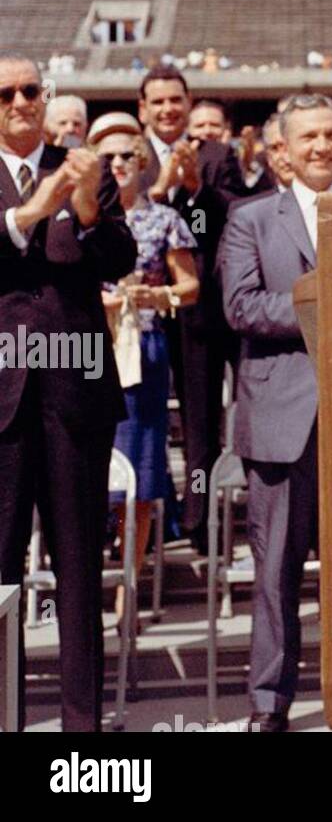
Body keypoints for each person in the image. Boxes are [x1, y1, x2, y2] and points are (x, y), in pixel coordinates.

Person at [0, 54, 137, 730]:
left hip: (76, 394)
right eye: (7, 92)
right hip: (2, 400)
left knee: (79, 571)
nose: (22, 100)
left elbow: (121, 258)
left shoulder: (84, 164)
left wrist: (83, 205)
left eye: (32, 89)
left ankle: (81, 732)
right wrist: (30, 212)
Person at [219, 95, 332, 732]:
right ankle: (269, 705)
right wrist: (328, 305)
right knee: (275, 574)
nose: (321, 146)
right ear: (284, 154)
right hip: (281, 422)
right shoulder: (251, 219)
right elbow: (240, 307)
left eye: (330, 135)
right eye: (309, 139)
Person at [89, 112, 199, 626]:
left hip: (145, 352)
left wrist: (156, 294)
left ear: (143, 160)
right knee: (89, 472)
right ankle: (87, 584)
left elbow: (189, 287)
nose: (117, 165)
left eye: (126, 156)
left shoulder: (166, 218)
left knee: (141, 474)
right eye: (106, 157)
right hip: (89, 352)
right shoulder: (81, 217)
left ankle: (127, 593)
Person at [137, 64, 243, 548]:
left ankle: (199, 523)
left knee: (201, 423)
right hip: (139, 317)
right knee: (140, 423)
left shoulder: (217, 154)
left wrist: (196, 190)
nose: (167, 109)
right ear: (143, 109)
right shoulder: (128, 158)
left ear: (187, 102)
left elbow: (224, 220)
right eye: (157, 101)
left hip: (200, 312)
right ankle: (143, 524)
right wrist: (160, 188)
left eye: (175, 100)